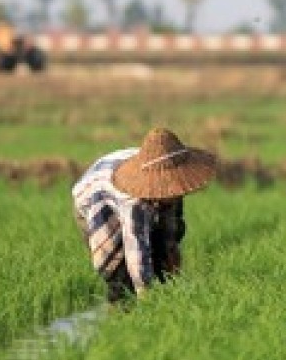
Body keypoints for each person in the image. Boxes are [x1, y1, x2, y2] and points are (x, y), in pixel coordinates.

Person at [71, 127, 217, 303]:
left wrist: (171, 268)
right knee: (121, 276)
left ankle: (164, 298)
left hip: (131, 185)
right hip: (96, 198)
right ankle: (119, 314)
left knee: (163, 261)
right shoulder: (133, 201)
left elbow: (171, 233)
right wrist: (146, 299)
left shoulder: (173, 186)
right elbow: (136, 251)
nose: (178, 191)